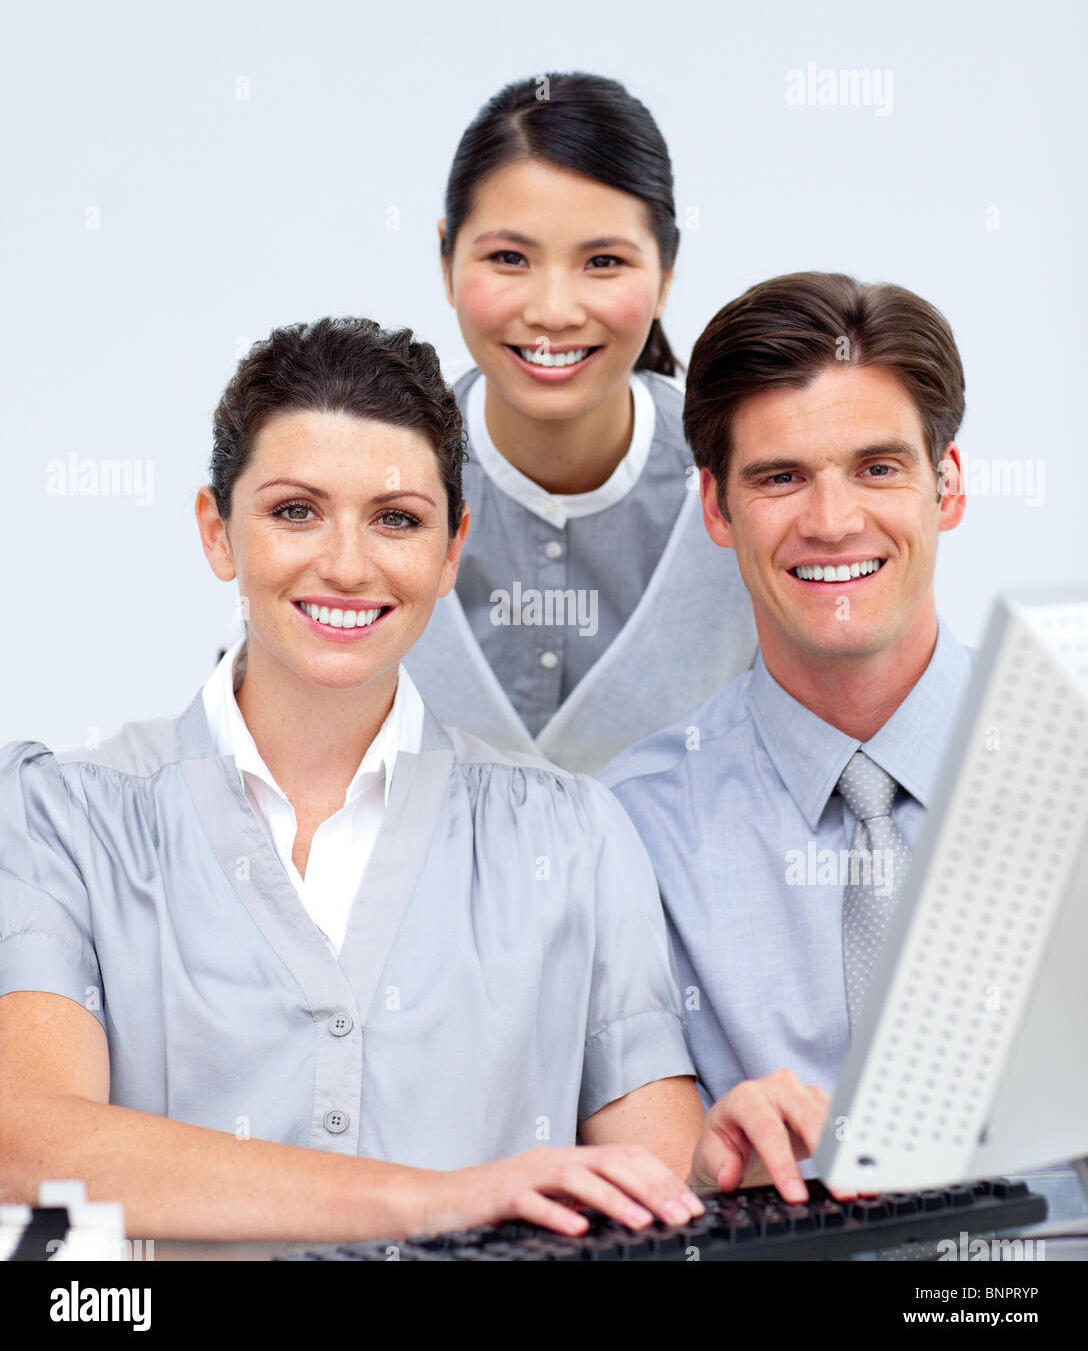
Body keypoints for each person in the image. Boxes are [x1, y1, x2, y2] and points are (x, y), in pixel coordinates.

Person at [0, 317, 713, 1245]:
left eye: (397, 520)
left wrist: (733, 1170)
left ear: (452, 550)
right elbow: (29, 1142)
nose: (346, 563)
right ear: (218, 533)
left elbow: (658, 1204)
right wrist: (432, 1201)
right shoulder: (68, 816)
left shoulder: (573, 836)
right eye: (295, 510)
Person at [601, 271, 973, 1202]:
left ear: (949, 485)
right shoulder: (627, 829)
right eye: (780, 478)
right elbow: (657, 1188)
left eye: (878, 467)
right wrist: (704, 1167)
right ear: (717, 510)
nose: (833, 520)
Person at [401, 71, 757, 773]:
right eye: (509, 258)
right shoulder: (364, 469)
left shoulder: (750, 477)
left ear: (668, 269)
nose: (554, 310)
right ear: (446, 259)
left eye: (603, 261)